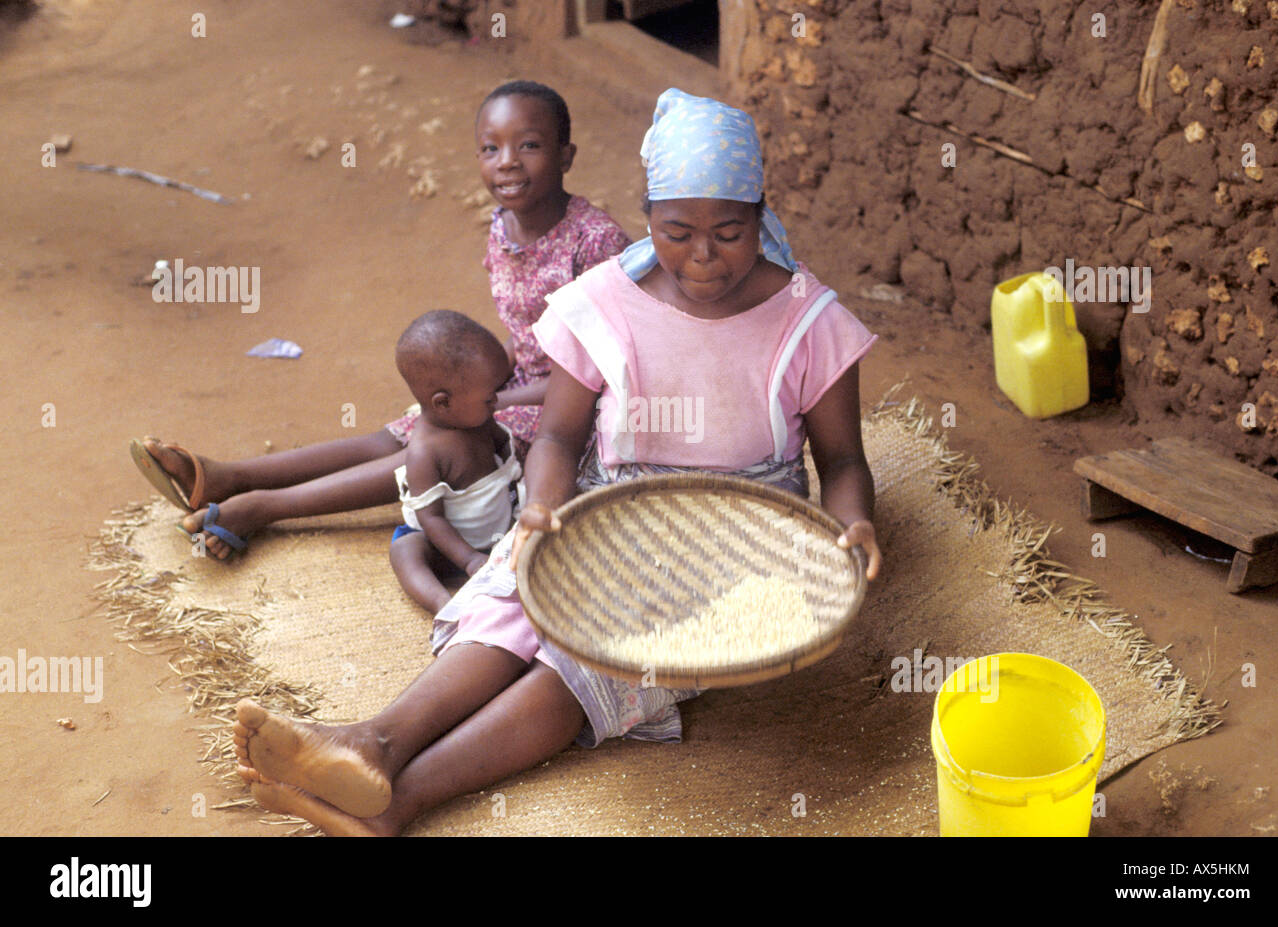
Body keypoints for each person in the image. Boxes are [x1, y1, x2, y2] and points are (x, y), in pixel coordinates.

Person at [231, 89, 884, 836]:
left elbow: (841, 460)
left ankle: (398, 803)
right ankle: (376, 741)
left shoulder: (807, 319)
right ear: (646, 215)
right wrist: (543, 504)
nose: (703, 256)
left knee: (594, 655)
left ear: (760, 211)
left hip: (739, 540)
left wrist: (853, 521)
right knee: (523, 594)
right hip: (610, 505)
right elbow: (560, 438)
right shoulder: (608, 300)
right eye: (676, 231)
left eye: (730, 232)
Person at [129, 80, 630, 559]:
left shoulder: (594, 242)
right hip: (521, 386)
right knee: (404, 429)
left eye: (529, 146)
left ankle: (267, 507)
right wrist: (481, 380)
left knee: (436, 447)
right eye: (490, 149)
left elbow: (602, 368)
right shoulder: (504, 226)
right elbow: (528, 331)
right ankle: (232, 476)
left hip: (573, 414)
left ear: (566, 156)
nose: (508, 163)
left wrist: (494, 401)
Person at [389, 311, 520, 614]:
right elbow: (432, 519)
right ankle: (443, 605)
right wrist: (468, 559)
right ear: (443, 402)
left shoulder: (478, 418)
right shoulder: (424, 453)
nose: (497, 403)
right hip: (445, 546)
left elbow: (506, 450)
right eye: (489, 398)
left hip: (497, 533)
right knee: (405, 550)